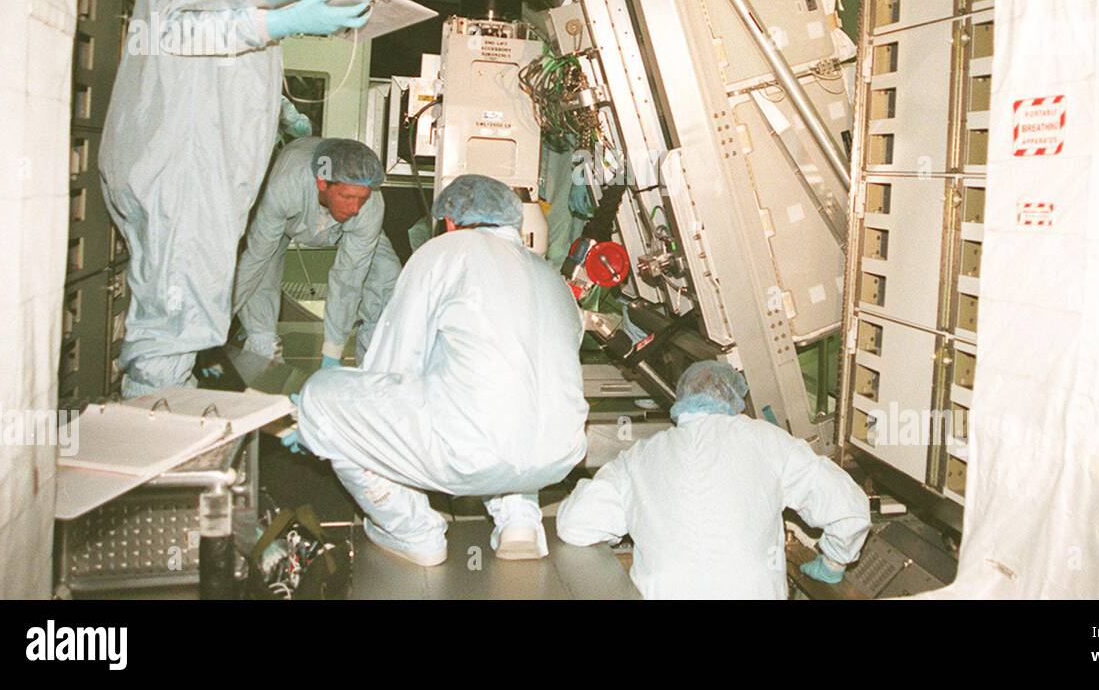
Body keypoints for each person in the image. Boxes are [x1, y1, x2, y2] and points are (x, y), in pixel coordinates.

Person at [100, 0, 370, 398]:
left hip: (193, 167)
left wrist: (281, 37)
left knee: (179, 318)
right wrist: (285, 19)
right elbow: (178, 28)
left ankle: (160, 429)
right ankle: (156, 449)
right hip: (184, 164)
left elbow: (227, 56)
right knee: (172, 329)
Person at [296, 174, 589, 564]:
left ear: (449, 221)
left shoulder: (443, 252)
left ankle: (415, 532)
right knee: (505, 398)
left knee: (322, 399)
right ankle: (520, 520)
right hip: (559, 455)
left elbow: (394, 360)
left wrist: (328, 413)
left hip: (469, 452)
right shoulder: (548, 273)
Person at [555, 360, 871, 599]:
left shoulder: (638, 458)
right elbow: (849, 508)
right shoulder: (766, 440)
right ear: (735, 397)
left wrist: (626, 525)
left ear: (681, 401)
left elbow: (574, 525)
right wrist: (832, 564)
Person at [232, 137, 400, 369]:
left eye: (361, 198)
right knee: (262, 269)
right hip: (285, 219)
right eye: (347, 197)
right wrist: (217, 324)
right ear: (322, 183)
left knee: (387, 277)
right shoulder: (284, 187)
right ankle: (264, 353)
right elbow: (254, 261)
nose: (354, 208)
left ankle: (376, 368)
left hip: (346, 229)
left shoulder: (368, 207)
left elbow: (347, 278)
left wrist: (332, 353)